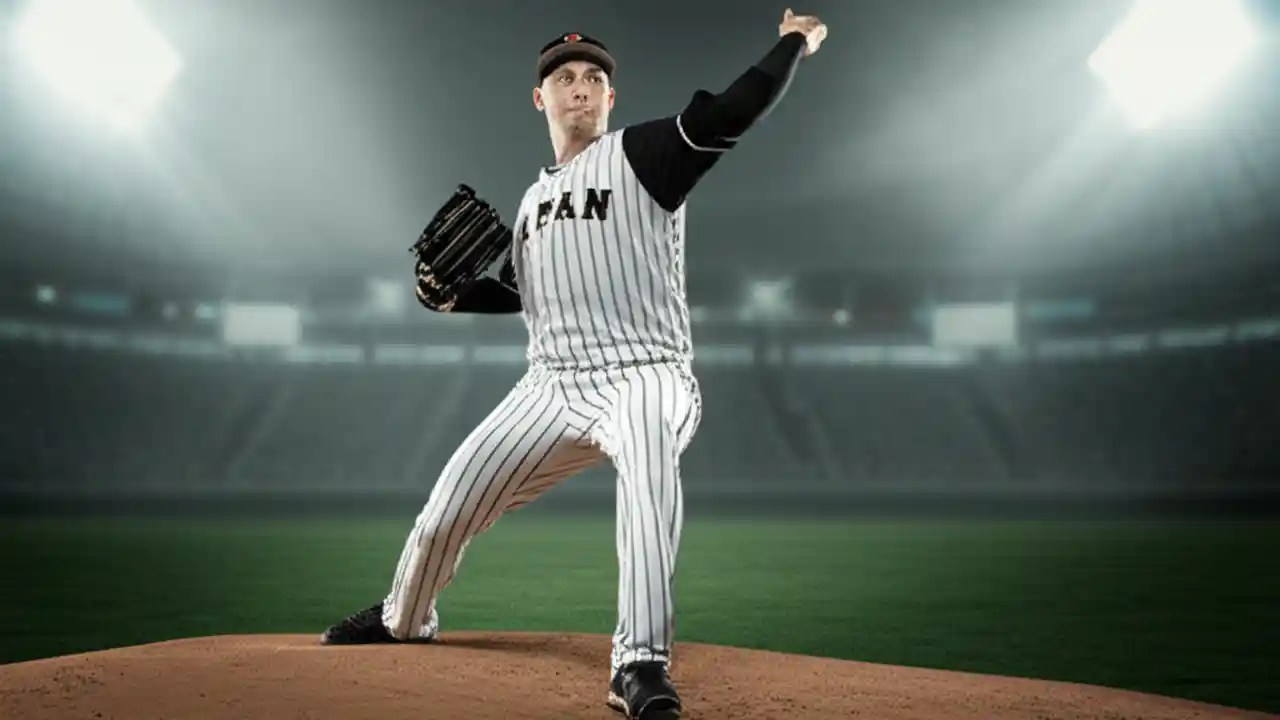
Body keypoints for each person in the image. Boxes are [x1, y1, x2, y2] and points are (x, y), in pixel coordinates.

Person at [322, 9, 828, 719]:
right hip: (551, 386)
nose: (581, 87)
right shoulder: (531, 202)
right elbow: (528, 295)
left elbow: (732, 110)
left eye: (595, 78)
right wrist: (452, 300)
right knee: (445, 511)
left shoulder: (645, 156)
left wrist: (793, 43)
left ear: (611, 98)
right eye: (565, 78)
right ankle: (405, 616)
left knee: (649, 457)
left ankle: (640, 662)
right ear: (542, 98)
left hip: (646, 373)